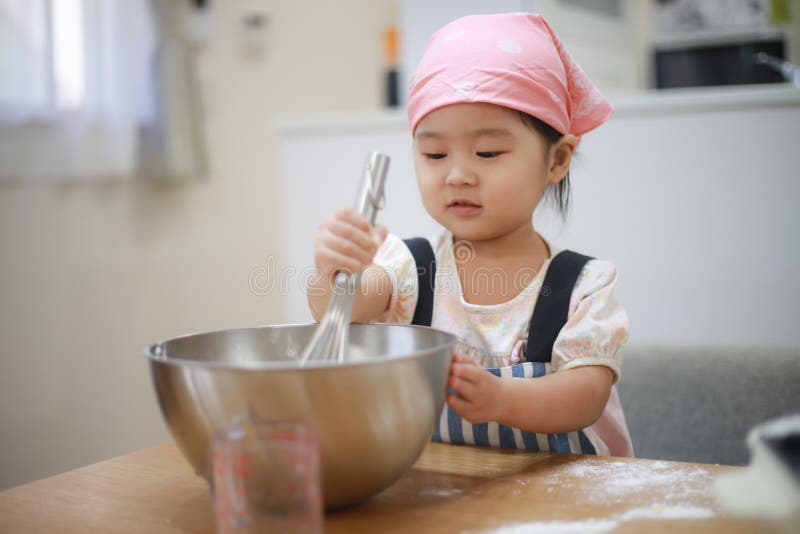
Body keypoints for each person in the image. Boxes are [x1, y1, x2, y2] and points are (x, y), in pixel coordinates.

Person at [308, 13, 633, 457]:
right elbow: (339, 311)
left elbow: (586, 395)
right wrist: (333, 268)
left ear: (557, 160)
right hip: (450, 496)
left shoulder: (584, 286)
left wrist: (501, 399)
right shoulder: (410, 267)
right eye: (435, 153)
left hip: (561, 499)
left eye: (487, 152)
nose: (458, 175)